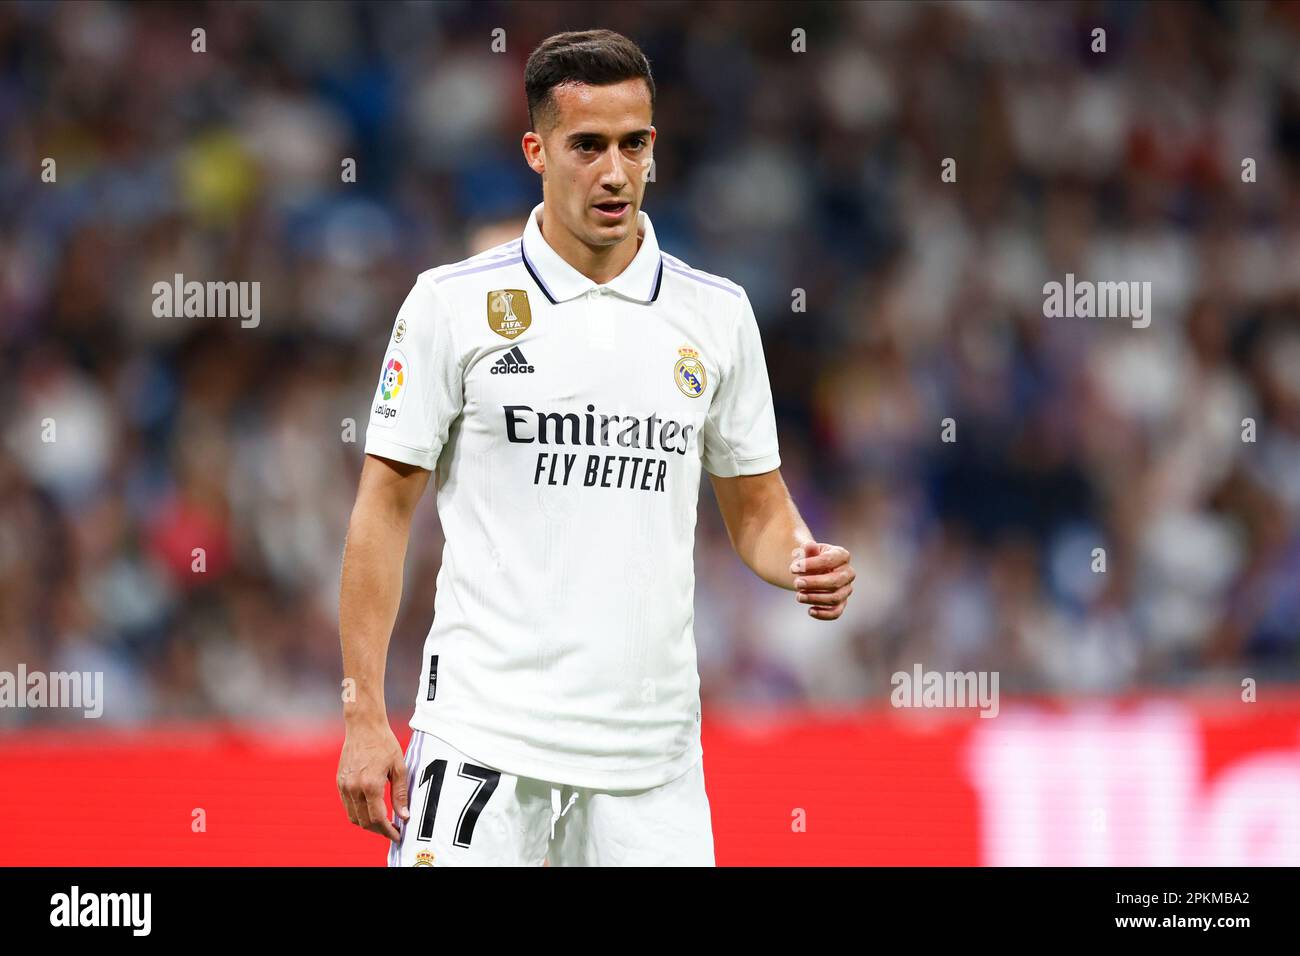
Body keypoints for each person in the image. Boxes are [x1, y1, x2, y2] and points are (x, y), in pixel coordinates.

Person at [337, 28, 855, 866]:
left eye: (634, 143)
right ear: (536, 151)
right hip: (484, 742)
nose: (615, 172)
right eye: (588, 146)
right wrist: (364, 712)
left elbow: (757, 512)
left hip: (650, 765)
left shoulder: (715, 315)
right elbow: (383, 508)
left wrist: (802, 559)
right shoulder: (452, 305)